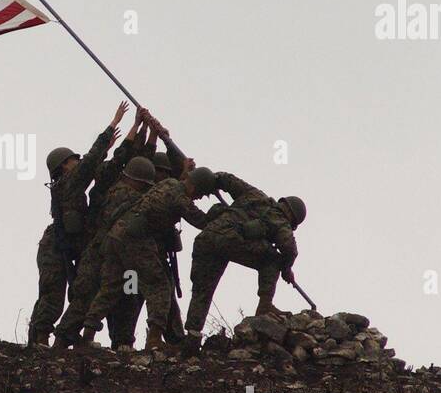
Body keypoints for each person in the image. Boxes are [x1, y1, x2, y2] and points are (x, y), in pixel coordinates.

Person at [82, 166, 219, 350]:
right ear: (195, 187)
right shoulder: (180, 199)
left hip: (116, 235)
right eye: (200, 195)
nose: (198, 198)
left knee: (111, 287)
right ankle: (154, 339)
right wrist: (219, 213)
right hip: (135, 240)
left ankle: (87, 335)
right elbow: (201, 222)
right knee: (159, 285)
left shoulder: (168, 183)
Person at [27, 103, 127, 347]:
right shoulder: (68, 182)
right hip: (54, 246)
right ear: (63, 165)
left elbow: (92, 164)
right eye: (73, 160)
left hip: (67, 245)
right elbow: (91, 161)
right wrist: (112, 126)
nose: (76, 162)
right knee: (53, 293)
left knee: (79, 289)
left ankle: (57, 336)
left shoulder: (69, 184)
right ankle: (39, 339)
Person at [185, 173, 306, 337]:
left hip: (206, 238)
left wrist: (207, 183)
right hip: (230, 240)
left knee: (202, 290)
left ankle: (192, 335)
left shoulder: (255, 194)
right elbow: (290, 249)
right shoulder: (280, 220)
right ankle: (265, 304)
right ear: (292, 217)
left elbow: (225, 179)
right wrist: (286, 269)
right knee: (273, 259)